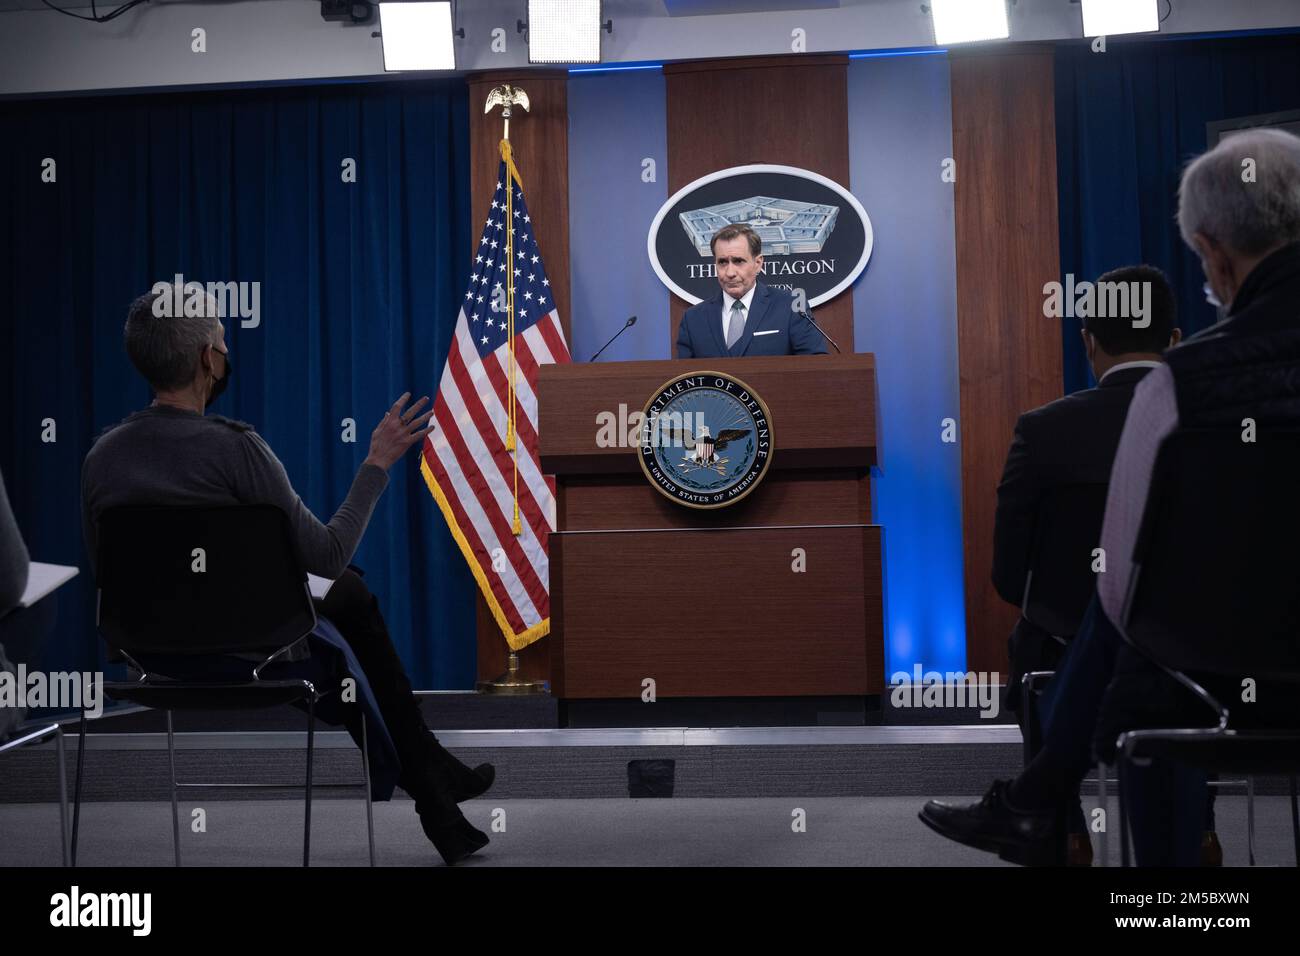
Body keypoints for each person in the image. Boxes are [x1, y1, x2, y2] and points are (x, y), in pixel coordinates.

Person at [920, 127, 1300, 866]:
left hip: (1218, 679)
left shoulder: (1183, 384)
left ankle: (1082, 837)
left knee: (1133, 632)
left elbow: (1120, 589)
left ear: (1213, 250)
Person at [81, 285, 493, 865]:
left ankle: (435, 785)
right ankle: (432, 779)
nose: (226, 350)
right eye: (223, 341)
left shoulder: (102, 458)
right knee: (345, 589)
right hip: (255, 651)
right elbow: (325, 555)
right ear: (207, 360)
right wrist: (376, 464)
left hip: (151, 655)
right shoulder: (238, 450)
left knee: (347, 596)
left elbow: (111, 577)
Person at [993, 265, 1181, 864]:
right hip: (1208, 662)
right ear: (1175, 339)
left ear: (1088, 340)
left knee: (1033, 641)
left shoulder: (1044, 431)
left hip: (1068, 646)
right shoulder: (1217, 424)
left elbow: (1008, 574)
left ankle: (1061, 826)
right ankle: (1198, 833)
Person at [675, 224, 829, 358]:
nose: (730, 272)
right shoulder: (693, 319)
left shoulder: (790, 307)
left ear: (758, 263)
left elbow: (815, 366)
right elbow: (686, 382)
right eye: (722, 262)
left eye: (738, 261)